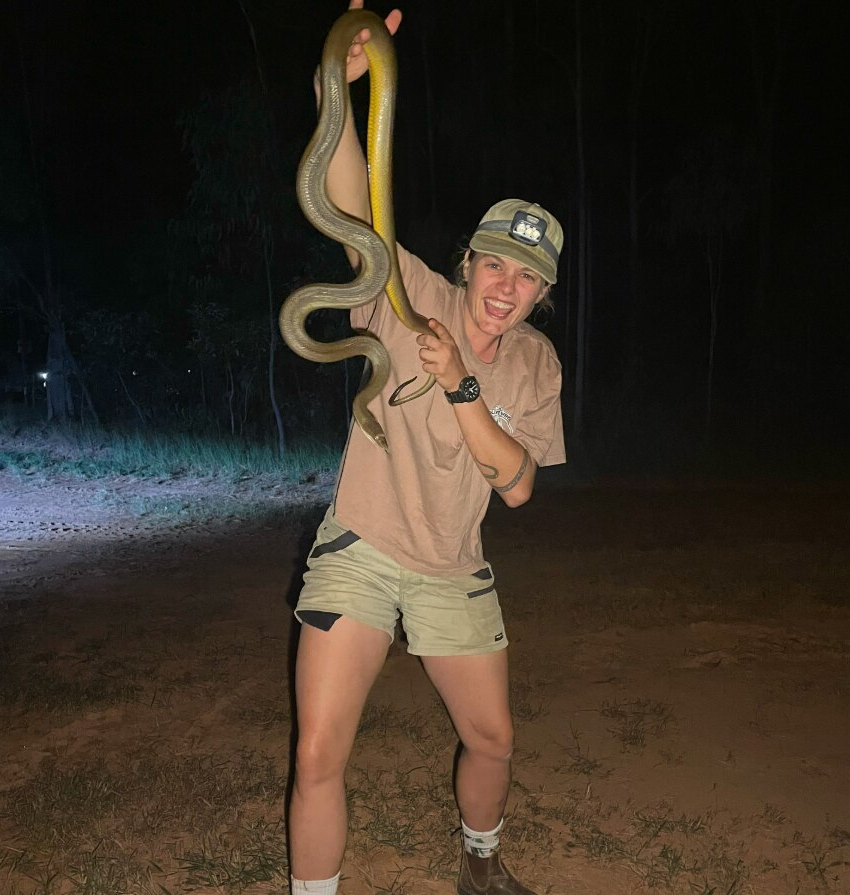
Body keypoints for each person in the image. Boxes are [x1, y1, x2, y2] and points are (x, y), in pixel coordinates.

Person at [287, 2, 566, 893]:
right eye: (494, 265)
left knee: (493, 738)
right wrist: (342, 89)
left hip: (453, 563)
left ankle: (480, 864)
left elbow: (518, 486)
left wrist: (461, 386)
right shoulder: (407, 291)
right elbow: (343, 201)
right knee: (320, 748)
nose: (504, 287)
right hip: (361, 547)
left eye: (526, 278)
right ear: (469, 262)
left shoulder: (533, 365)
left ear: (540, 295)